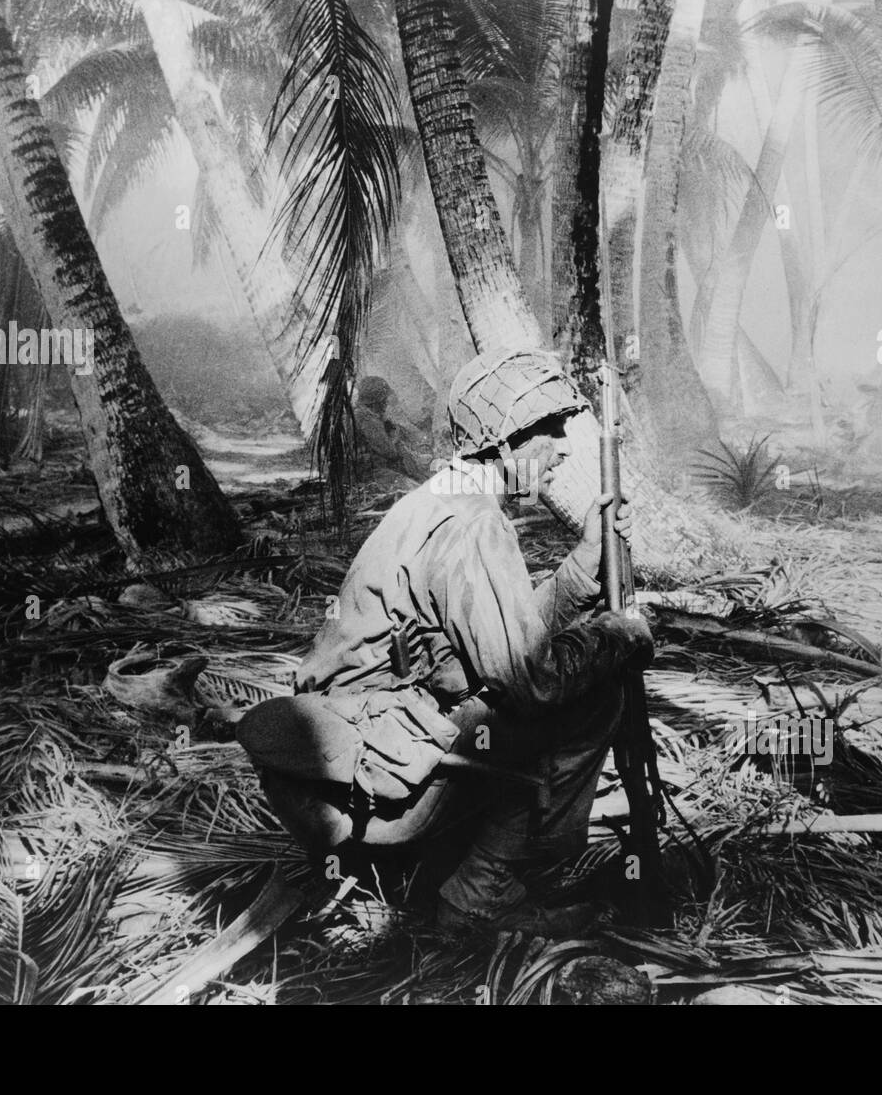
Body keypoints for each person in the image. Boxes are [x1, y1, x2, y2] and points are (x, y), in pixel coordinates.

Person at [239, 348, 653, 936]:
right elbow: (531, 681)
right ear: (505, 440)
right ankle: (484, 894)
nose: (564, 445)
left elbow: (507, 639)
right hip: (368, 772)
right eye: (550, 429)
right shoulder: (472, 524)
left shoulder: (447, 498)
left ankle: (447, 865)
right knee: (591, 699)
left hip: (353, 751)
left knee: (523, 692)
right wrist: (617, 636)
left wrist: (587, 561)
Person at [352, 375, 431, 481]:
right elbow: (390, 452)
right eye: (384, 400)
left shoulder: (360, 413)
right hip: (370, 474)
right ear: (377, 401)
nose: (386, 404)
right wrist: (395, 436)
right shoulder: (367, 419)